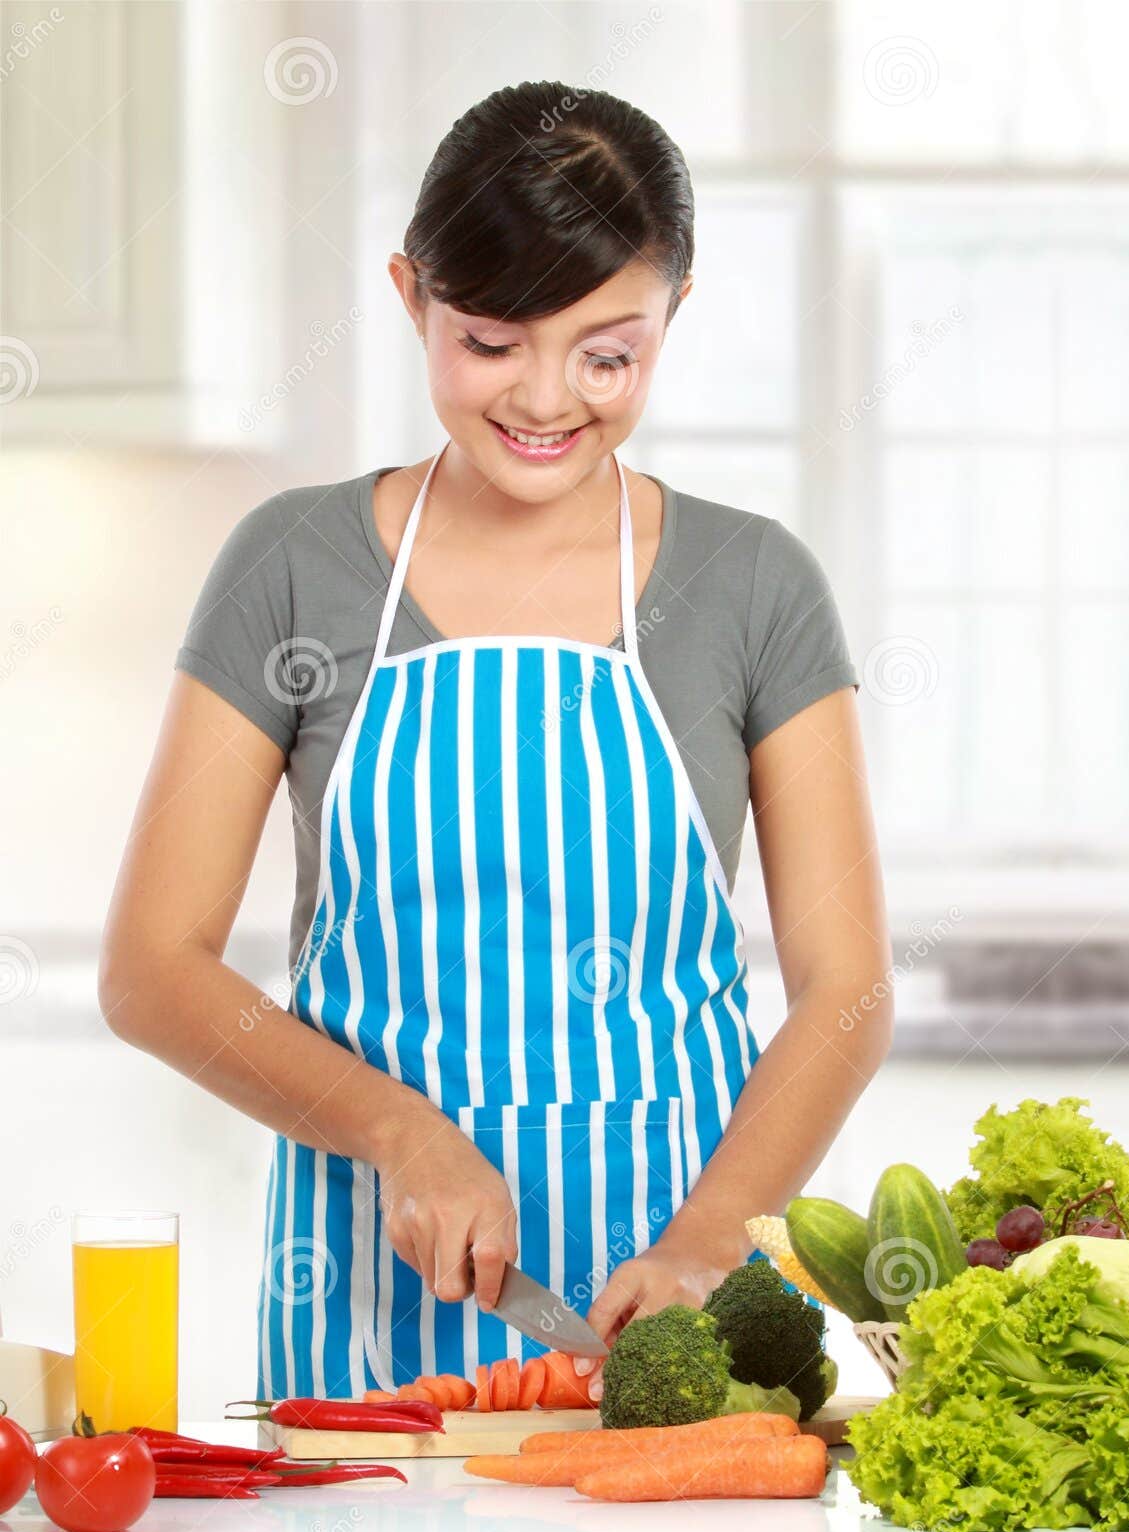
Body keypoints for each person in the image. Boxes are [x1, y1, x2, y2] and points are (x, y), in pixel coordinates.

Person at [99, 81, 891, 1402]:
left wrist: (711, 1236)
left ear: (672, 317)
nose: (546, 398)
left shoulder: (754, 586)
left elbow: (847, 991)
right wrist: (399, 1131)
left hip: (671, 1338)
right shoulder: (296, 567)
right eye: (490, 341)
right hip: (365, 1326)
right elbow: (149, 970)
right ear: (412, 296)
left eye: (608, 352)